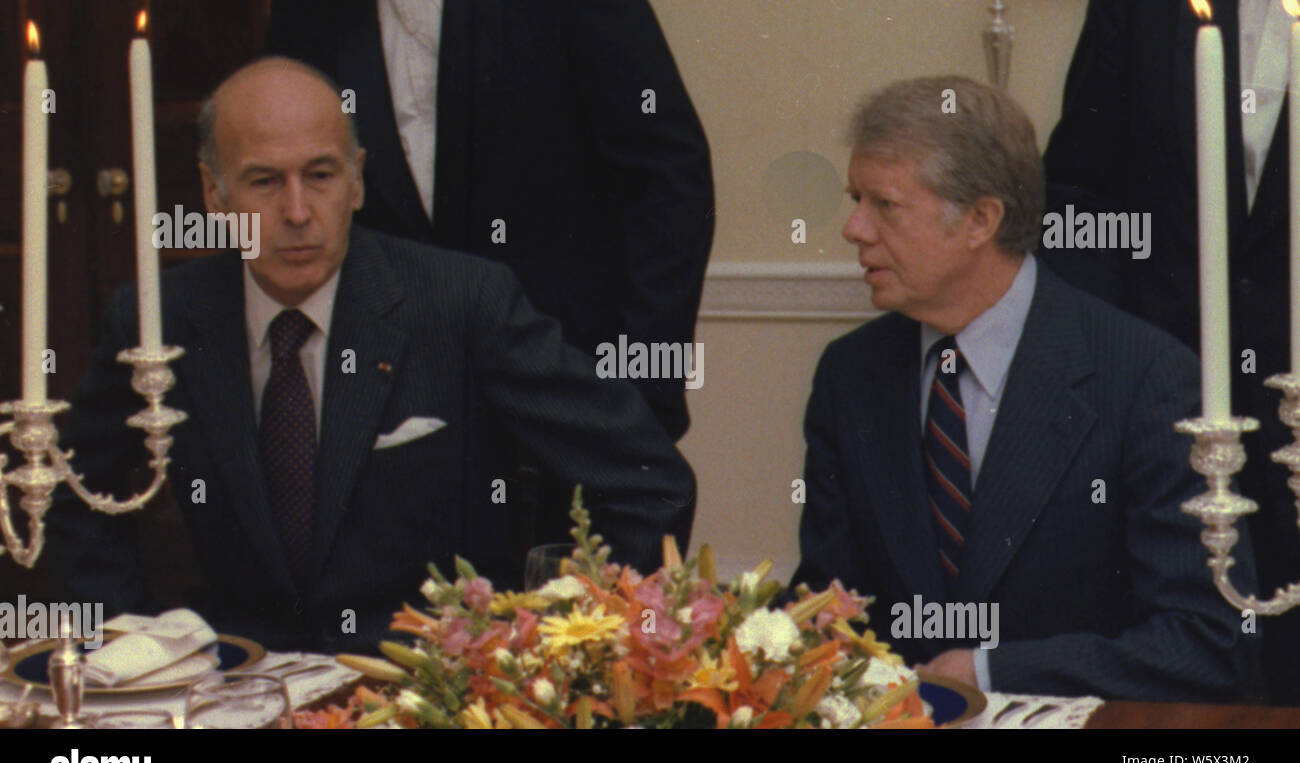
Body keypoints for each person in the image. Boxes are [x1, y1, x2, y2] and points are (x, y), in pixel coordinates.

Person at [36, 57, 696, 654]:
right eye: (264, 181)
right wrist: (134, 650)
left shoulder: (463, 303)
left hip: (426, 682)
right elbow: (74, 493)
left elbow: (645, 479)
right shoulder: (159, 317)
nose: (298, 211)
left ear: (356, 180)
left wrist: (571, 650)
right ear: (213, 194)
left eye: (321, 175)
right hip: (234, 682)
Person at [790, 75, 1258, 701]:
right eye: (856, 199)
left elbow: (1207, 641)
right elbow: (827, 609)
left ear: (980, 220)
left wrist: (988, 674)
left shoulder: (1146, 378)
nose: (854, 228)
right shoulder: (851, 374)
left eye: (885, 205)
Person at [263, 0, 716, 548]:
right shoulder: (307, 12)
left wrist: (641, 399)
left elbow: (669, 180)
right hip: (399, 419)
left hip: (570, 397)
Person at [1041, 0, 1300, 704]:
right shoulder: (1143, 9)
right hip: (1170, 412)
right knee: (1192, 672)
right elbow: (1079, 195)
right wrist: (1117, 362)